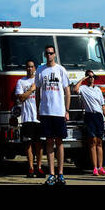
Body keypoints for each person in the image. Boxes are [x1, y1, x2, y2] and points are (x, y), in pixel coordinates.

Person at [36, 44, 71, 185]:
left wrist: (67, 110)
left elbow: (67, 91)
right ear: (45, 55)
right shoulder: (40, 70)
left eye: (51, 53)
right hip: (45, 111)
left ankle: (60, 174)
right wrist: (38, 109)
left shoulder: (61, 70)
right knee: (49, 142)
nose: (49, 55)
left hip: (59, 112)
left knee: (60, 142)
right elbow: (38, 91)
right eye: (47, 53)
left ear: (55, 54)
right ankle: (51, 174)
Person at [15, 59, 42, 178]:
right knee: (28, 144)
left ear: (35, 68)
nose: (29, 69)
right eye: (28, 67)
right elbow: (20, 98)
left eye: (32, 67)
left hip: (39, 117)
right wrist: (31, 90)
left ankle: (39, 168)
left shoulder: (39, 81)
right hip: (26, 117)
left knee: (39, 144)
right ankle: (31, 168)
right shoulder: (21, 82)